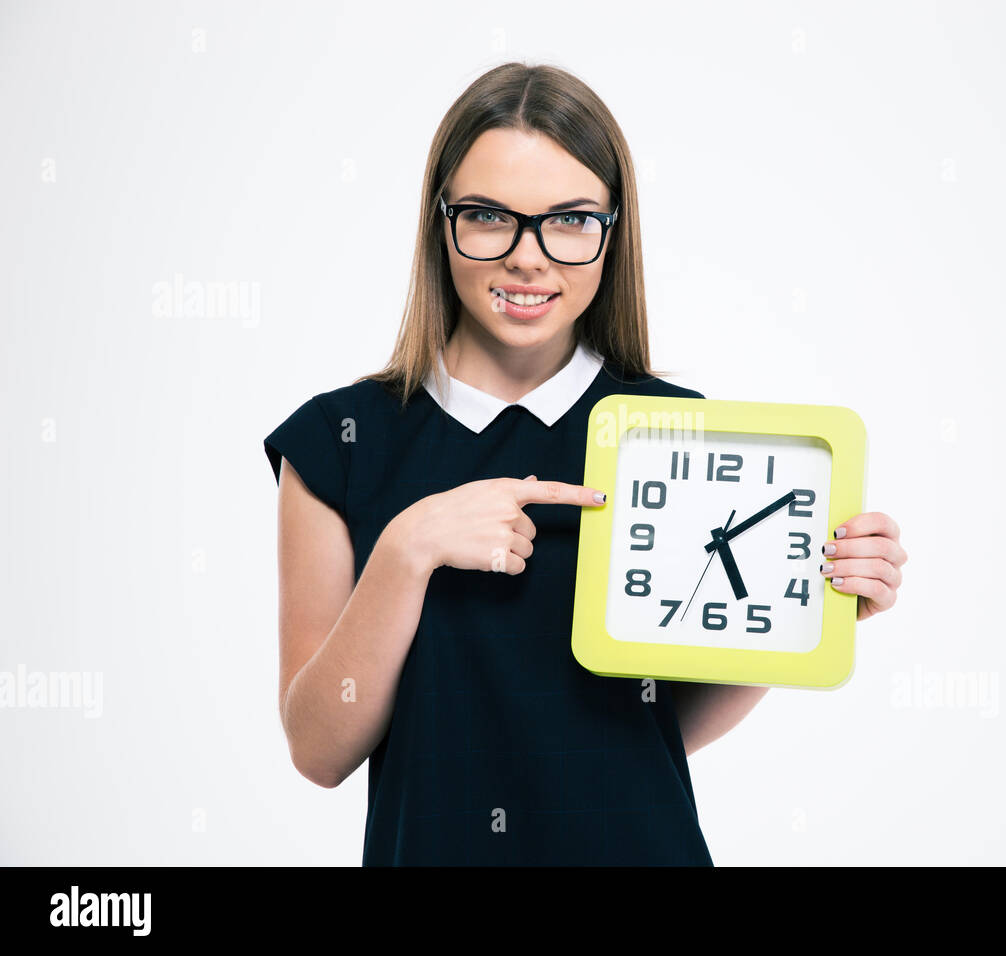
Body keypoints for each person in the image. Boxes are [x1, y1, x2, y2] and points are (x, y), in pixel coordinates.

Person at [263, 62, 907, 866]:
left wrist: (807, 609)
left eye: (569, 220)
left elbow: (657, 730)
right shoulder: (339, 442)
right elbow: (319, 751)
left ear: (612, 229)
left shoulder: (675, 433)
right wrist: (408, 550)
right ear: (440, 223)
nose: (529, 258)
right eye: (490, 216)